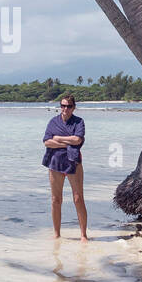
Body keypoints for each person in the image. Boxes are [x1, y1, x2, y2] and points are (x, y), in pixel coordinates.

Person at [42, 94, 88, 242]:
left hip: (73, 163)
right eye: (62, 106)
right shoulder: (53, 122)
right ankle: (56, 234)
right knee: (56, 199)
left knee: (78, 198)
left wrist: (58, 139)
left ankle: (83, 235)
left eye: (68, 106)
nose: (65, 109)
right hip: (55, 163)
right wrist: (68, 144)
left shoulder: (79, 122)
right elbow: (47, 142)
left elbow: (78, 139)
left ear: (73, 107)